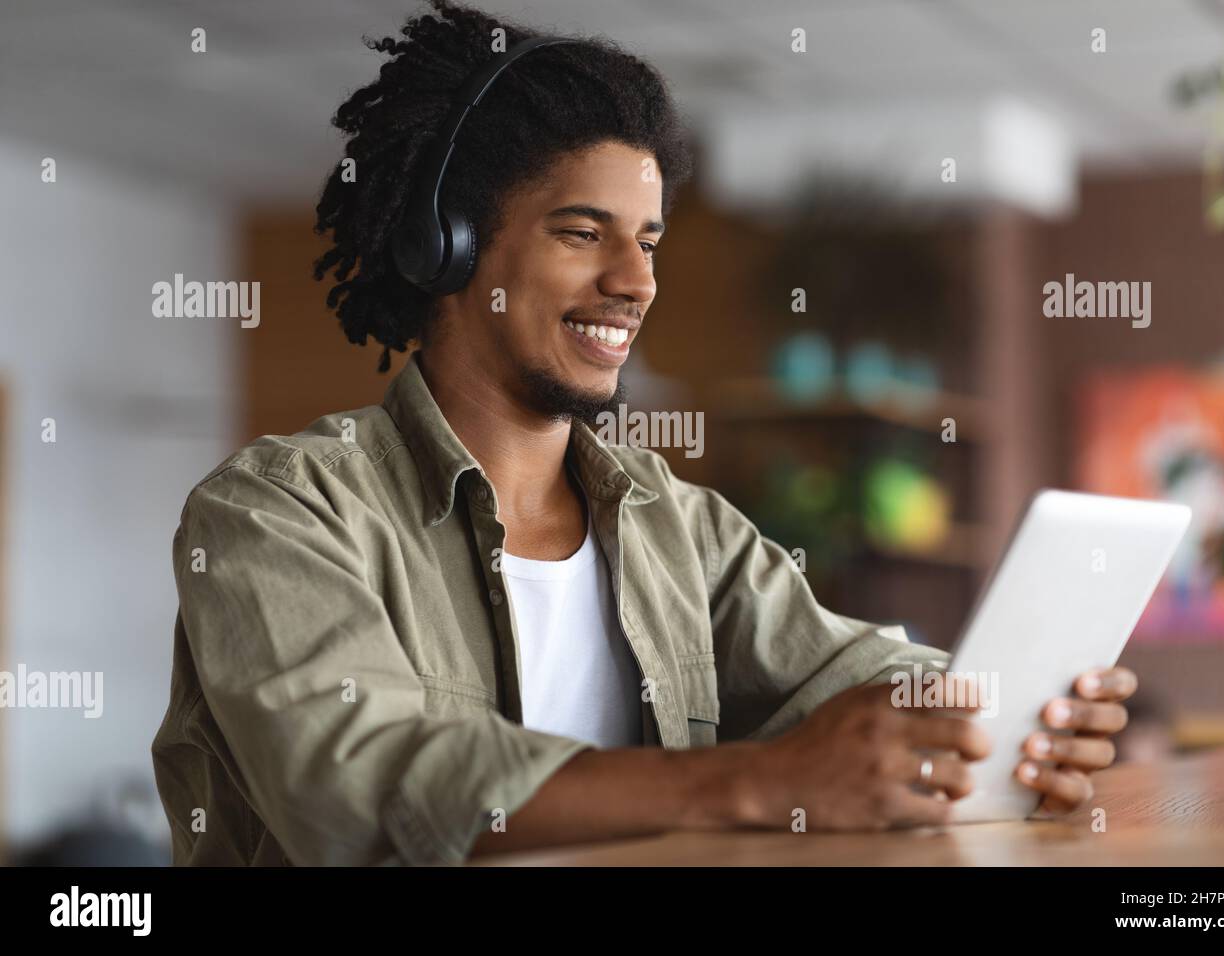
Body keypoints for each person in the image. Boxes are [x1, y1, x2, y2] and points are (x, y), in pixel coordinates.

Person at [151, 0, 1136, 866]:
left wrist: (999, 718)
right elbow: (361, 786)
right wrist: (755, 782)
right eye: (583, 233)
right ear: (448, 248)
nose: (636, 281)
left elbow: (855, 671)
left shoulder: (680, 527)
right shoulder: (276, 511)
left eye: (649, 240)